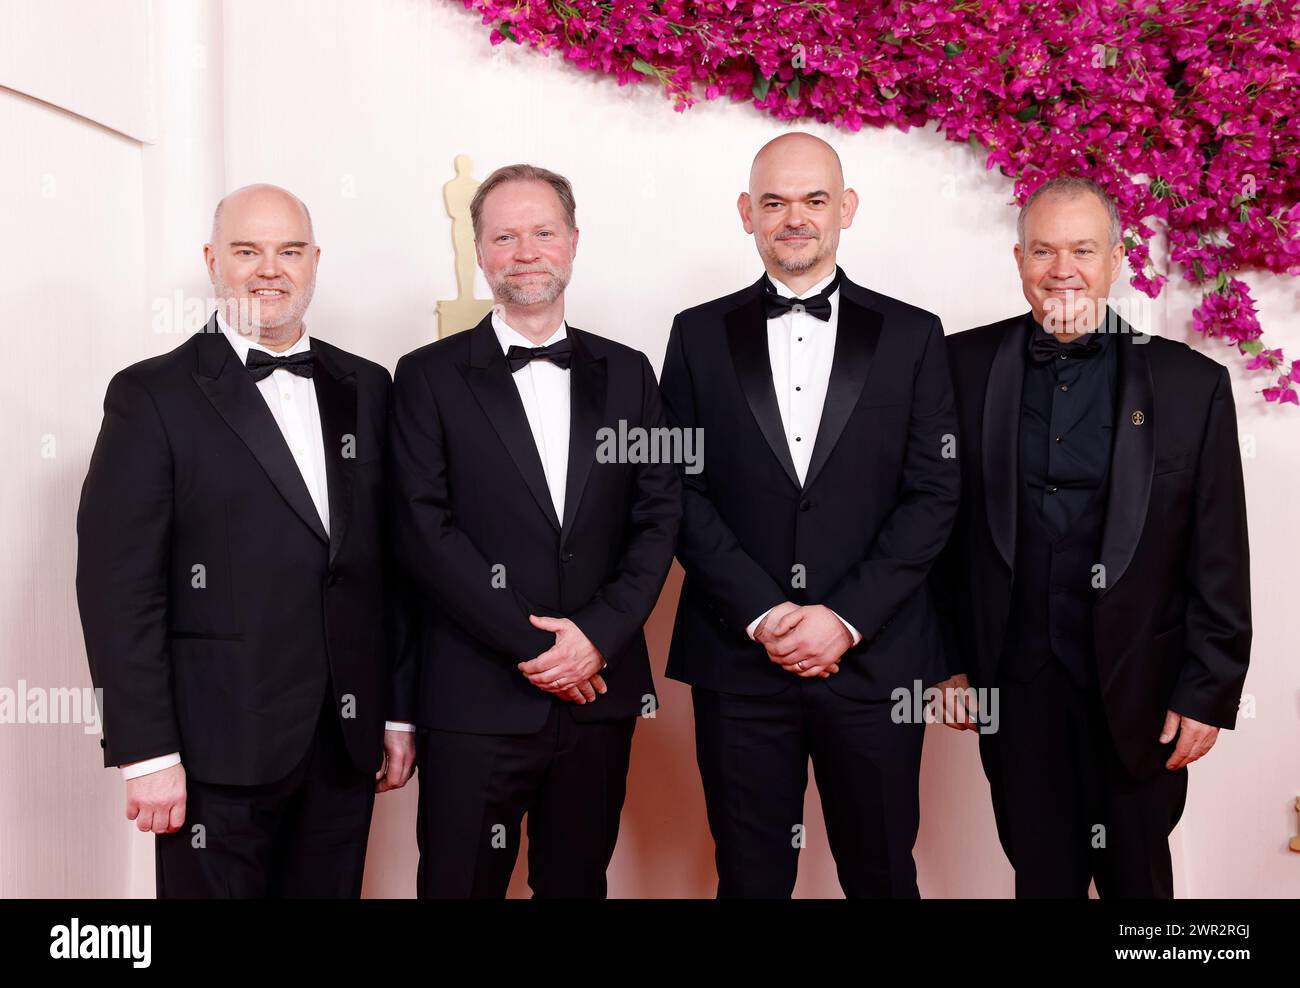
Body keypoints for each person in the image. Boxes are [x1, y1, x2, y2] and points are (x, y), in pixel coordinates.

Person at [76, 184, 415, 897]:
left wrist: (394, 710)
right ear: (211, 260)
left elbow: (390, 567)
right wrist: (146, 753)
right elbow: (117, 587)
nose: (270, 269)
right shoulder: (152, 395)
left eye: (289, 250)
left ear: (315, 261)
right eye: (246, 250)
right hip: (213, 748)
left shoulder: (369, 385)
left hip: (344, 740)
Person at [931, 176, 1252, 897]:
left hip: (1141, 688)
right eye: (1043, 251)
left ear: (1115, 260)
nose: (1062, 269)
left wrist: (1209, 689)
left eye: (1082, 249)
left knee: (1139, 884)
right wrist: (944, 661)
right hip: (1012, 685)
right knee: (1040, 875)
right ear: (1018, 261)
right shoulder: (957, 367)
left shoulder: (1190, 383)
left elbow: (1220, 550)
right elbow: (933, 527)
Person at [659, 133, 960, 897]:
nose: (795, 217)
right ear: (746, 213)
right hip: (738, 657)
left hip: (875, 657)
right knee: (750, 879)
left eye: (814, 200)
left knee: (884, 873)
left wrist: (846, 618)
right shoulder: (695, 334)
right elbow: (676, 488)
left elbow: (934, 494)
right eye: (775, 201)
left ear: (846, 209)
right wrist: (764, 613)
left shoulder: (915, 334)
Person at [390, 164, 680, 898]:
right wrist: (537, 646)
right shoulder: (425, 377)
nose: (526, 252)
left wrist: (593, 639)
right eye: (505, 236)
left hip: (601, 689)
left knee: (578, 884)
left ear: (573, 242)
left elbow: (658, 517)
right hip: (474, 696)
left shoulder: (630, 373)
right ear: (480, 252)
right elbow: (423, 531)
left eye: (543, 232)